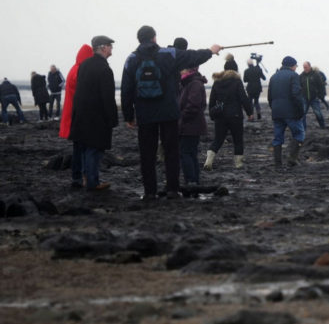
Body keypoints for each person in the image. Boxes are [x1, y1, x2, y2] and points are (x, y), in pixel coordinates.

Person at [121, 25, 221, 200]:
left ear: (139, 39)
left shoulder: (131, 58)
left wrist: (129, 115)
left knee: (147, 153)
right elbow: (192, 56)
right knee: (171, 151)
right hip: (168, 111)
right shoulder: (168, 54)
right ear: (154, 38)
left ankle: (149, 192)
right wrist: (211, 51)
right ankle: (173, 190)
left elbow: (126, 89)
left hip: (145, 113)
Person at [68, 36, 119, 191]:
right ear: (103, 47)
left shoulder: (84, 65)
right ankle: (92, 182)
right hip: (97, 117)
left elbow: (79, 92)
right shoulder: (104, 69)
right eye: (110, 46)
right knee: (94, 150)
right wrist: (113, 118)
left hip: (82, 115)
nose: (112, 48)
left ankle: (88, 179)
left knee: (85, 148)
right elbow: (108, 97)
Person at [205, 68, 254, 170]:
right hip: (235, 115)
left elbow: (212, 100)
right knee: (238, 140)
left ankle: (209, 159)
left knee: (218, 139)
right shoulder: (237, 82)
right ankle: (238, 163)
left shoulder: (217, 83)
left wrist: (212, 114)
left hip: (220, 115)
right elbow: (243, 98)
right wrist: (249, 113)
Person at [59, 44, 93, 188]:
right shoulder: (81, 71)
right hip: (78, 115)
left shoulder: (73, 69)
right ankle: (79, 177)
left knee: (78, 148)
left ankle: (77, 177)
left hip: (72, 115)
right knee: (82, 149)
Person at [268, 56, 306, 166]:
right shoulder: (294, 76)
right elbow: (296, 95)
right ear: (292, 65)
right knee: (299, 134)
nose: (296, 68)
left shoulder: (273, 77)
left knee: (278, 138)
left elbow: (270, 97)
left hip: (277, 112)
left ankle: (278, 163)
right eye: (296, 66)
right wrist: (300, 111)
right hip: (291, 112)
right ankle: (292, 158)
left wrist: (274, 108)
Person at [178, 66, 207, 186]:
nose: (180, 70)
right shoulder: (190, 83)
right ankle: (194, 180)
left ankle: (191, 180)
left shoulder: (194, 83)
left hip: (190, 125)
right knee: (191, 153)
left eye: (182, 68)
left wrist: (182, 117)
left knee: (186, 152)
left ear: (189, 70)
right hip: (192, 124)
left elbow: (193, 105)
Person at [300, 61, 327, 130]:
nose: (304, 68)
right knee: (302, 114)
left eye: (306, 67)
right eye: (304, 67)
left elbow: (321, 86)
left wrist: (321, 95)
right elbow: (299, 86)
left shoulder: (315, 74)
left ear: (309, 66)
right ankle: (303, 128)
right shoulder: (301, 75)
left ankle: (322, 126)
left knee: (318, 113)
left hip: (314, 98)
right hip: (304, 98)